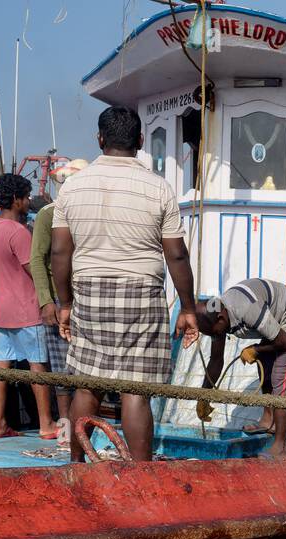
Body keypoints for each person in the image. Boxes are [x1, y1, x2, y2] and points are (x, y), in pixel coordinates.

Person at [51, 106, 198, 462]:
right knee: (136, 390)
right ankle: (141, 477)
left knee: (86, 383)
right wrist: (189, 308)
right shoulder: (158, 188)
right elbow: (177, 256)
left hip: (88, 292)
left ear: (100, 140)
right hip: (142, 293)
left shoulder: (72, 187)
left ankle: (76, 465)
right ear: (141, 141)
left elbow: (59, 252)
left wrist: (65, 303)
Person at [196, 279, 286, 456]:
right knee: (264, 366)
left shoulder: (246, 309)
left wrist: (255, 349)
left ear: (221, 318)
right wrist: (203, 396)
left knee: (279, 377)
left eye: (215, 333)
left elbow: (284, 342)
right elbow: (216, 360)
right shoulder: (218, 314)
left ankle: (280, 446)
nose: (216, 336)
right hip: (275, 319)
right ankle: (268, 422)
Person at [0, 173, 58, 440]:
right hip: (26, 310)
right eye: (26, 197)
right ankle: (46, 423)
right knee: (37, 367)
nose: (28, 202)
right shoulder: (19, 232)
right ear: (16, 200)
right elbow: (34, 270)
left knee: (0, 367)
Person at [30, 161, 88, 432]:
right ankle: (65, 425)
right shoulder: (47, 215)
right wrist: (45, 301)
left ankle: (85, 424)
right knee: (62, 370)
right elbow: (37, 260)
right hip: (58, 302)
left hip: (88, 300)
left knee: (88, 370)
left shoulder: (89, 212)